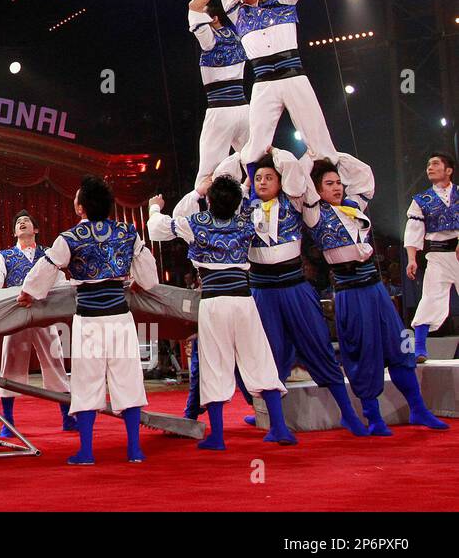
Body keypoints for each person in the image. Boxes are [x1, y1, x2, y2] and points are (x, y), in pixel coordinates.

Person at [215, 149, 368, 435]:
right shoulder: (242, 207)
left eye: (268, 178)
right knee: (266, 355)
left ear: (280, 181)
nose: (262, 182)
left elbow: (297, 175)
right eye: (258, 178)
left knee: (319, 346)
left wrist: (276, 153)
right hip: (262, 292)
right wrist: (243, 156)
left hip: (295, 287)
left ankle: (348, 414)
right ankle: (273, 421)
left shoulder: (296, 201)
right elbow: (224, 179)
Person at [147, 178, 298, 449]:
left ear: (210, 200)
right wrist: (245, 185)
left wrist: (156, 208)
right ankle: (280, 428)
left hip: (214, 303)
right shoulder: (246, 222)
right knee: (260, 359)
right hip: (243, 300)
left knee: (214, 365)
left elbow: (157, 230)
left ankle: (217, 436)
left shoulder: (196, 222)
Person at [302, 155, 448, 434]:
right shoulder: (314, 213)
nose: (337, 187)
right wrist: (311, 159)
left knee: (398, 346)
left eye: (338, 183)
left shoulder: (354, 206)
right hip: (349, 292)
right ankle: (374, 417)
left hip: (375, 288)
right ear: (317, 190)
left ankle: (418, 409)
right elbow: (301, 182)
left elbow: (365, 175)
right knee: (361, 353)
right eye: (329, 184)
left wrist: (334, 157)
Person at [19, 177, 155, 465]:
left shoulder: (69, 238)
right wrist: (139, 284)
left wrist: (29, 293)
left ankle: (87, 452)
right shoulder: (127, 232)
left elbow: (48, 266)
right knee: (128, 378)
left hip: (89, 319)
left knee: (86, 381)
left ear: (80, 207)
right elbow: (148, 274)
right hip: (120, 316)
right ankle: (134, 450)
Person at [191, 0, 336, 177]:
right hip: (263, 82)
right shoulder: (237, 13)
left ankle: (329, 185)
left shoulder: (284, 3)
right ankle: (257, 192)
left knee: (317, 136)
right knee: (256, 144)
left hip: (293, 76)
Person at [0, 209, 74, 435]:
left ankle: (67, 418)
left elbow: (60, 282)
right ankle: (8, 421)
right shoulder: (5, 256)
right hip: (17, 316)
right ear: (14, 232)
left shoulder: (48, 254)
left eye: (27, 221)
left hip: (43, 314)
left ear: (36, 229)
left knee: (55, 365)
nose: (22, 223)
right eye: (18, 222)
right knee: (10, 366)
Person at [188, 0, 249, 189]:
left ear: (214, 19)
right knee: (256, 164)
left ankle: (207, 216)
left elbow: (193, 7)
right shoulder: (240, 36)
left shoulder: (210, 39)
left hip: (220, 110)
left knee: (207, 175)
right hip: (245, 109)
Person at [406, 152, 459, 362]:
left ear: (449, 170)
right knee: (430, 298)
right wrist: (411, 258)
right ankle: (419, 348)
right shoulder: (421, 200)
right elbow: (413, 230)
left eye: (436, 164)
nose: (430, 167)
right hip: (437, 256)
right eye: (428, 164)